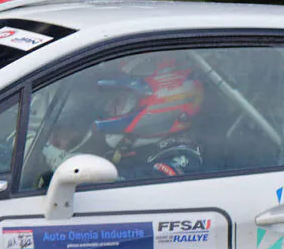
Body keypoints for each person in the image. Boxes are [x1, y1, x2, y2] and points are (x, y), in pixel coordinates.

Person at [41, 58, 207, 181]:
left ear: (160, 104)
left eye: (117, 101)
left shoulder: (181, 158)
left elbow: (114, 190)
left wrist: (58, 159)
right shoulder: (132, 140)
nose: (106, 109)